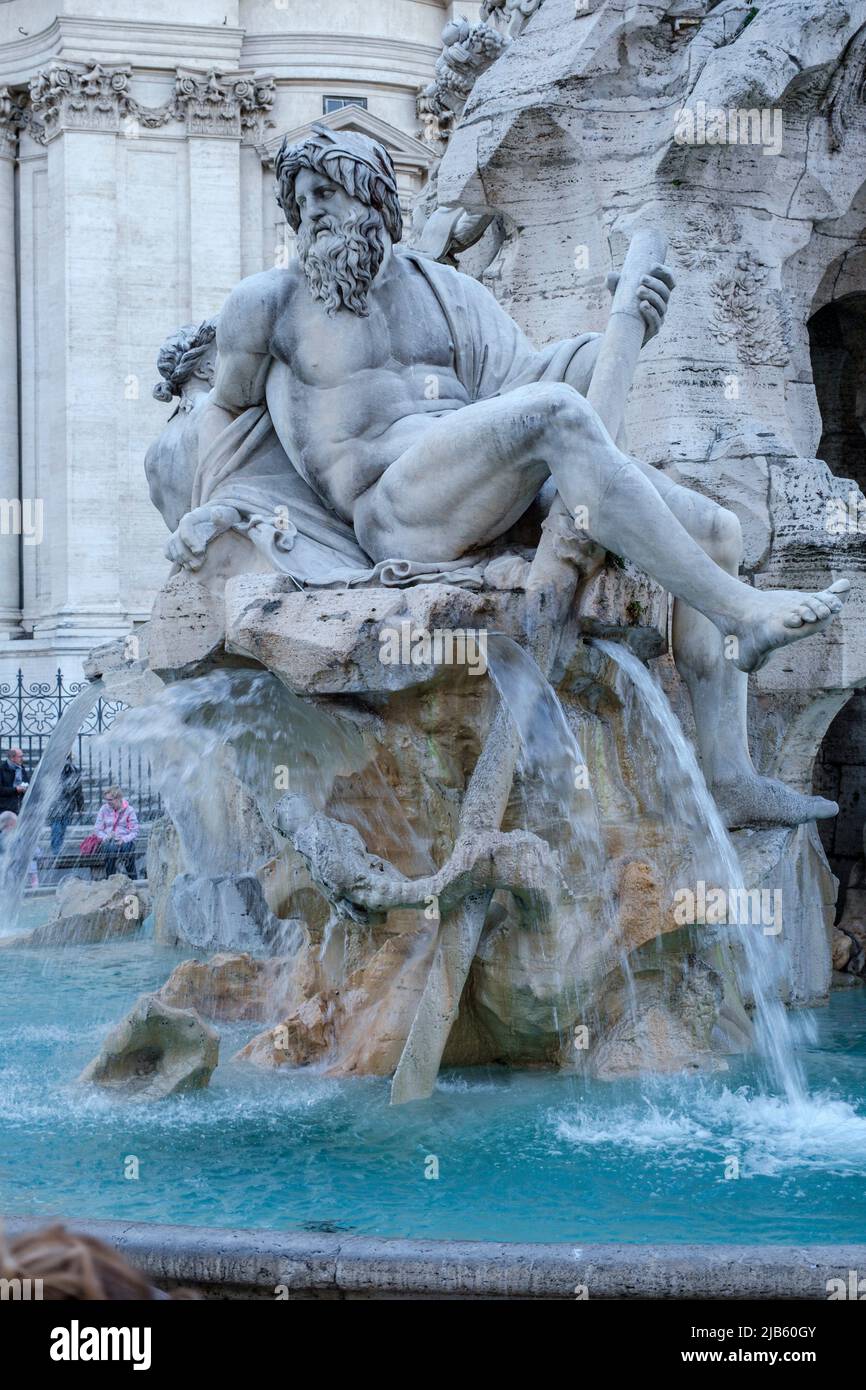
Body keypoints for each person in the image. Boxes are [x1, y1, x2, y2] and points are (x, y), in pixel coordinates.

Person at [161, 125, 850, 832]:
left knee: (717, 528)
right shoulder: (267, 303)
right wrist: (214, 512)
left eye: (328, 193)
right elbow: (224, 416)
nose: (312, 212)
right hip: (393, 507)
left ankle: (729, 777)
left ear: (374, 198)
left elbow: (525, 380)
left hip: (484, 486)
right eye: (300, 200)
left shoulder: (445, 292)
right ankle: (743, 612)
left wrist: (620, 329)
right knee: (555, 415)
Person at [93, 786, 139, 878]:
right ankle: (111, 878)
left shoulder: (129, 810)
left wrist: (124, 839)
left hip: (125, 840)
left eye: (110, 800)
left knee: (127, 849)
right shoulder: (103, 809)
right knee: (109, 849)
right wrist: (107, 836)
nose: (108, 803)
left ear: (118, 798)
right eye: (106, 800)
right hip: (108, 840)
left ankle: (132, 878)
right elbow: (97, 830)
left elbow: (135, 831)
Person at [48, 752, 85, 858]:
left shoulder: (74, 770)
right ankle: (56, 851)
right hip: (55, 804)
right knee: (57, 827)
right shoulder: (53, 770)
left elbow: (79, 789)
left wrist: (80, 806)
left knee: (63, 827)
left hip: (69, 804)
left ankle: (57, 849)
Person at [0, 747, 28, 816]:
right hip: (5, 809)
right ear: (12, 758)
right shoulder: (2, 770)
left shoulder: (21, 768)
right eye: (20, 757)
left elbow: (26, 781)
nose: (22, 759)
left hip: (20, 806)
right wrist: (15, 790)